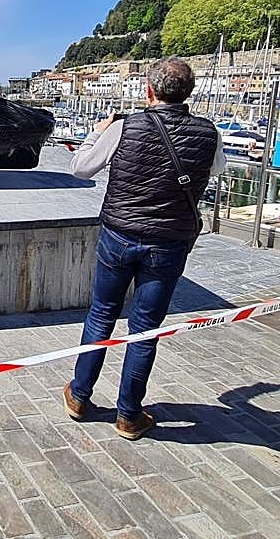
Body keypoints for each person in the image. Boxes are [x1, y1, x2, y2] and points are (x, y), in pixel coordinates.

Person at [63, 56, 226, 440]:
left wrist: (96, 133)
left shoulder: (124, 128)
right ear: (189, 92)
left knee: (102, 314)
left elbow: (80, 168)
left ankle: (80, 397)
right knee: (144, 329)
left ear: (148, 91)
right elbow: (216, 169)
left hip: (119, 236)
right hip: (168, 243)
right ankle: (128, 415)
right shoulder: (209, 132)